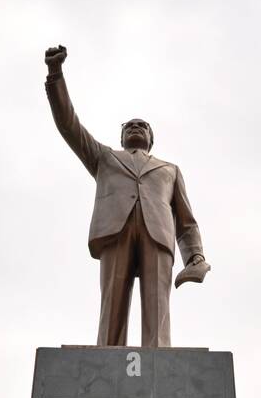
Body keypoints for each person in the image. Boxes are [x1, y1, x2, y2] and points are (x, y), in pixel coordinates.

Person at [44, 43, 210, 347]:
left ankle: (158, 361)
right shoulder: (105, 158)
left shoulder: (169, 169)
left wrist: (195, 255)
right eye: (130, 125)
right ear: (122, 137)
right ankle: (107, 356)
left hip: (158, 235)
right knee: (112, 310)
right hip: (115, 231)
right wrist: (56, 75)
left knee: (158, 313)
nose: (136, 127)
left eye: (142, 125)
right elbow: (69, 125)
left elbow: (186, 221)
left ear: (150, 138)